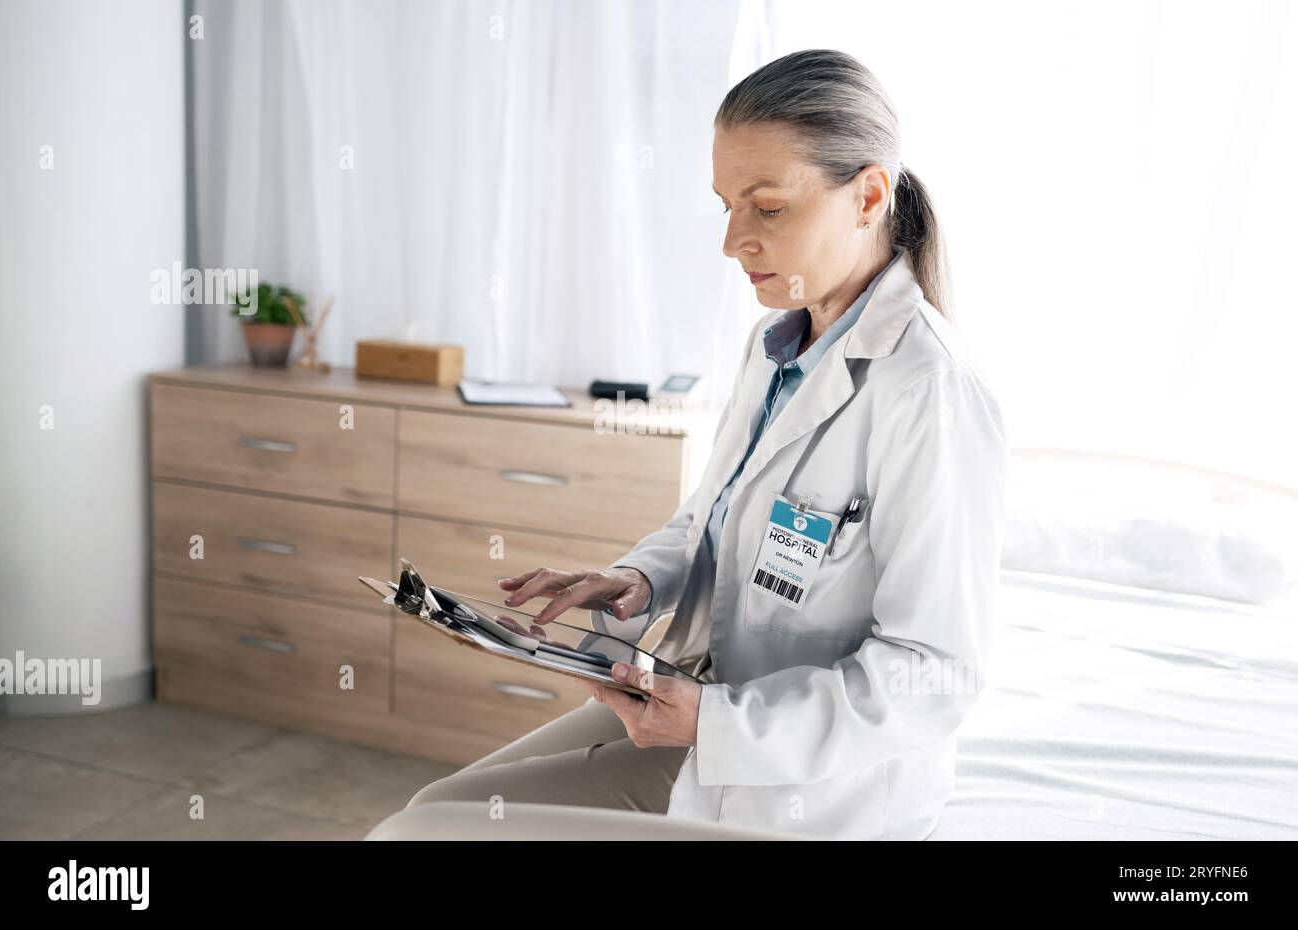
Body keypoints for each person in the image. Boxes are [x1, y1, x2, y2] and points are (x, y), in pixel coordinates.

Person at [406, 47, 1008, 841]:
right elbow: (710, 523)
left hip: (815, 786)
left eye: (767, 206)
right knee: (434, 811)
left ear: (867, 196)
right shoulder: (775, 346)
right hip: (705, 702)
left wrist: (719, 724)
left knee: (430, 833)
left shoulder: (929, 392)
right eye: (727, 204)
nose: (732, 240)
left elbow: (934, 673)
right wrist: (635, 583)